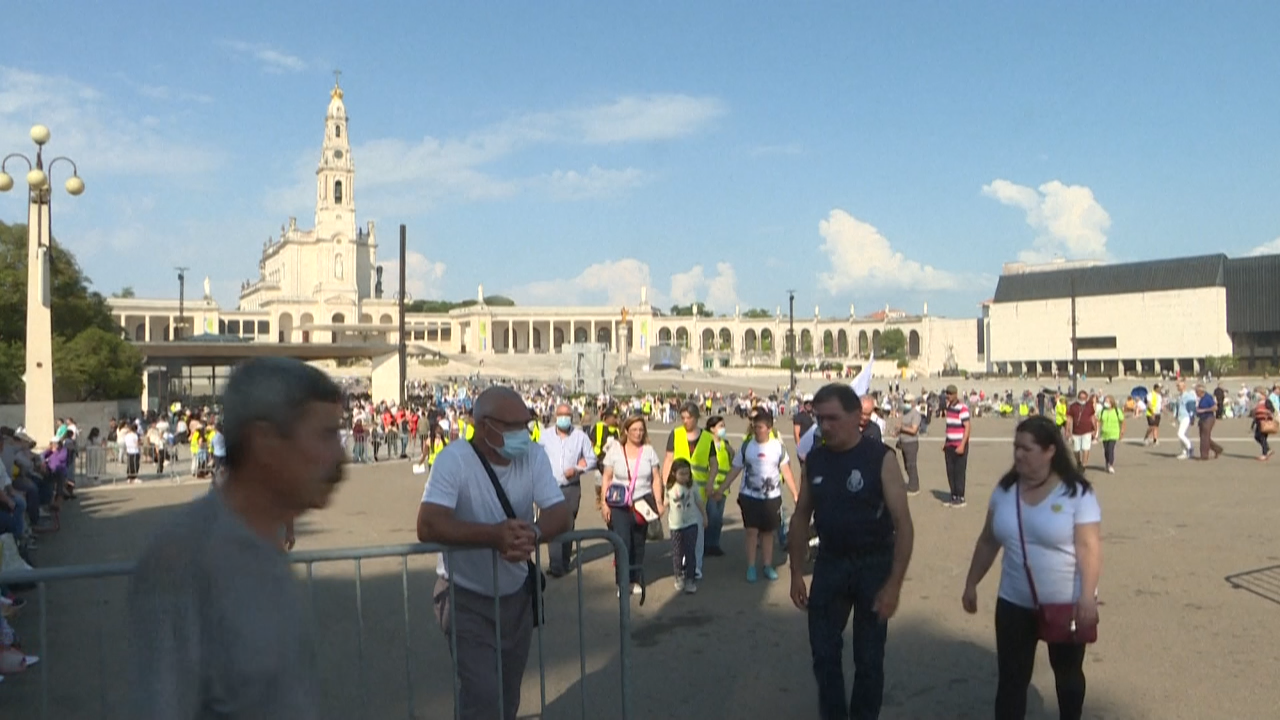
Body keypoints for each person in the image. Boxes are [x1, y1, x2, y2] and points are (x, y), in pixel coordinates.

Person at [127, 357, 346, 718]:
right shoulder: (183, 558)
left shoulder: (265, 546)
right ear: (265, 443)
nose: (340, 455)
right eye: (325, 435)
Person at [418, 386, 571, 720]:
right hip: (465, 597)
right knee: (482, 695)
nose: (523, 433)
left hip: (516, 596)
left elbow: (559, 512)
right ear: (484, 427)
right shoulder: (454, 459)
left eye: (526, 424)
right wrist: (493, 536)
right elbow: (428, 524)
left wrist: (533, 533)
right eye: (513, 426)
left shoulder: (533, 455)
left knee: (507, 693)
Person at [961, 415, 1102, 720]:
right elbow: (988, 540)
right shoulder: (1005, 491)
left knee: (1067, 677)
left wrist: (1087, 597)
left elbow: (1089, 547)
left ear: (1050, 450)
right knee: (1012, 681)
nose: (1018, 454)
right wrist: (971, 583)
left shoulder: (1076, 493)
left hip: (1066, 601)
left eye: (1027, 448)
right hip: (1014, 601)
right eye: (1016, 447)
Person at [788, 384, 915, 720]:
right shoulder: (814, 460)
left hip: (874, 564)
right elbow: (801, 516)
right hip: (830, 562)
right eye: (819, 419)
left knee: (869, 658)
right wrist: (796, 573)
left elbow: (903, 524)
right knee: (824, 653)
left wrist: (894, 584)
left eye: (832, 418)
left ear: (857, 417)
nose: (825, 426)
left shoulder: (880, 458)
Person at [722, 409, 798, 583]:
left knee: (767, 533)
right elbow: (736, 469)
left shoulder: (778, 448)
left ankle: (767, 565)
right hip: (749, 495)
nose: (757, 430)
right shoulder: (747, 446)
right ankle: (750, 566)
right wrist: (721, 488)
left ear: (769, 428)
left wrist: (795, 493)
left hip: (771, 496)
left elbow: (786, 471)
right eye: (755, 427)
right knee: (751, 531)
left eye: (761, 427)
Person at [600, 415, 664, 597]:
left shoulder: (649, 451)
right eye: (634, 429)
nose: (638, 433)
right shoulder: (615, 450)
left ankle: (635, 579)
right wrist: (604, 503)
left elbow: (656, 478)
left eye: (641, 430)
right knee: (623, 541)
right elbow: (607, 477)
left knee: (638, 543)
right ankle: (622, 581)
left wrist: (658, 502)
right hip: (619, 503)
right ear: (626, 431)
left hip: (642, 502)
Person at [537, 402, 597, 578]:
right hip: (550, 486)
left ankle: (564, 560)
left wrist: (578, 468)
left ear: (572, 418)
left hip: (571, 487)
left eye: (567, 415)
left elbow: (591, 459)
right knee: (551, 525)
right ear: (556, 416)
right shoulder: (544, 436)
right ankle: (555, 565)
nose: (564, 418)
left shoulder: (580, 437)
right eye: (561, 414)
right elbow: (536, 458)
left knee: (567, 525)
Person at [665, 458, 707, 594]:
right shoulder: (670, 488)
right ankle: (678, 576)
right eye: (681, 474)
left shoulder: (692, 485)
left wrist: (704, 516)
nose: (684, 477)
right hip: (675, 526)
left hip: (691, 523)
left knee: (690, 552)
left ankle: (690, 579)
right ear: (673, 474)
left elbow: (699, 501)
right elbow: (664, 504)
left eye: (687, 474)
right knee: (677, 553)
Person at [701, 416, 733, 558]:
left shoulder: (725, 444)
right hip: (711, 486)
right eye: (720, 426)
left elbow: (732, 462)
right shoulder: (707, 443)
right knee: (711, 517)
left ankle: (714, 544)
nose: (723, 429)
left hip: (723, 487)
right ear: (712, 428)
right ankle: (706, 545)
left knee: (718, 519)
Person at [943, 384, 971, 508]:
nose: (948, 395)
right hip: (949, 444)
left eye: (950, 393)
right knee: (950, 471)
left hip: (960, 444)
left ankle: (960, 497)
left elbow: (968, 427)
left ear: (955, 394)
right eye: (947, 393)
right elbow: (949, 427)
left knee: (959, 471)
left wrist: (962, 445)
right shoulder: (949, 407)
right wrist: (946, 442)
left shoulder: (962, 408)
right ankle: (953, 495)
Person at [894, 394, 922, 495]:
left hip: (911, 442)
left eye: (908, 401)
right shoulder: (905, 413)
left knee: (911, 465)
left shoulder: (915, 414)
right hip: (903, 442)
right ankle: (911, 483)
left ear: (913, 402)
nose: (906, 403)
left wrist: (902, 428)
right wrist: (896, 432)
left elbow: (914, 430)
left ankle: (914, 487)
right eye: (905, 401)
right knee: (906, 465)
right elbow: (901, 426)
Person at [1065, 390, 1097, 470]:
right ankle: (1078, 462)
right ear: (1078, 397)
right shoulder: (1073, 406)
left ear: (1086, 398)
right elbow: (1069, 419)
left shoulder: (1089, 406)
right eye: (1081, 398)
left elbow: (1093, 418)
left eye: (1084, 398)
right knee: (1076, 449)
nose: (1082, 400)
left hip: (1087, 431)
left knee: (1086, 448)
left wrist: (1095, 429)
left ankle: (1084, 465)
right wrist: (1067, 430)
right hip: (1076, 431)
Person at [1194, 384, 1223, 460]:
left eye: (1196, 391)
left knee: (1204, 437)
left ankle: (1204, 455)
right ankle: (1217, 449)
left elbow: (1215, 407)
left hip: (1208, 418)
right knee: (1204, 437)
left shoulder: (1207, 397)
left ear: (1201, 392)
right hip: (1202, 418)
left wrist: (1203, 410)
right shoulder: (1201, 398)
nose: (1195, 393)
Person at [1097, 395, 1125, 474]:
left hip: (1114, 433)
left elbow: (1122, 421)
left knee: (1110, 449)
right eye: (1105, 401)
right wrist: (1096, 432)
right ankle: (1107, 462)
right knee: (1106, 450)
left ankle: (1111, 465)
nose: (1106, 403)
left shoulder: (1117, 411)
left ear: (1111, 402)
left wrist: (1122, 431)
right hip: (1104, 433)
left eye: (1108, 401)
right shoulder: (1102, 411)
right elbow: (1098, 421)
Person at [1251, 391, 1275, 461]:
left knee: (1262, 437)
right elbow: (1256, 413)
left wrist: (1266, 412)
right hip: (1258, 421)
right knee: (1257, 436)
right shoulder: (1259, 402)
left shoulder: (1267, 401)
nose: (1258, 396)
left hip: (1265, 421)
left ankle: (1265, 454)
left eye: (1260, 395)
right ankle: (1268, 450)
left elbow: (1272, 410)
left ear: (1264, 395)